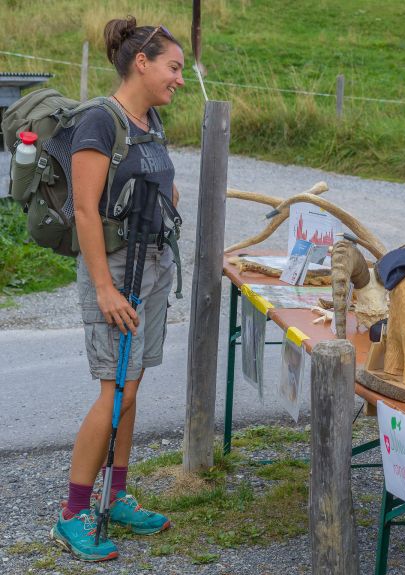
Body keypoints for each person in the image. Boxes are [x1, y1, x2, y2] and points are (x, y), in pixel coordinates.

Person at [50, 17, 185, 562]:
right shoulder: (99, 123)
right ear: (142, 62)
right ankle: (72, 514)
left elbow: (164, 187)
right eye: (173, 68)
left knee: (132, 388)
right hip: (116, 271)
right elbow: (85, 209)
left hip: (153, 266)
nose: (178, 78)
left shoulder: (151, 121)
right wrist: (104, 288)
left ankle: (117, 495)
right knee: (114, 391)